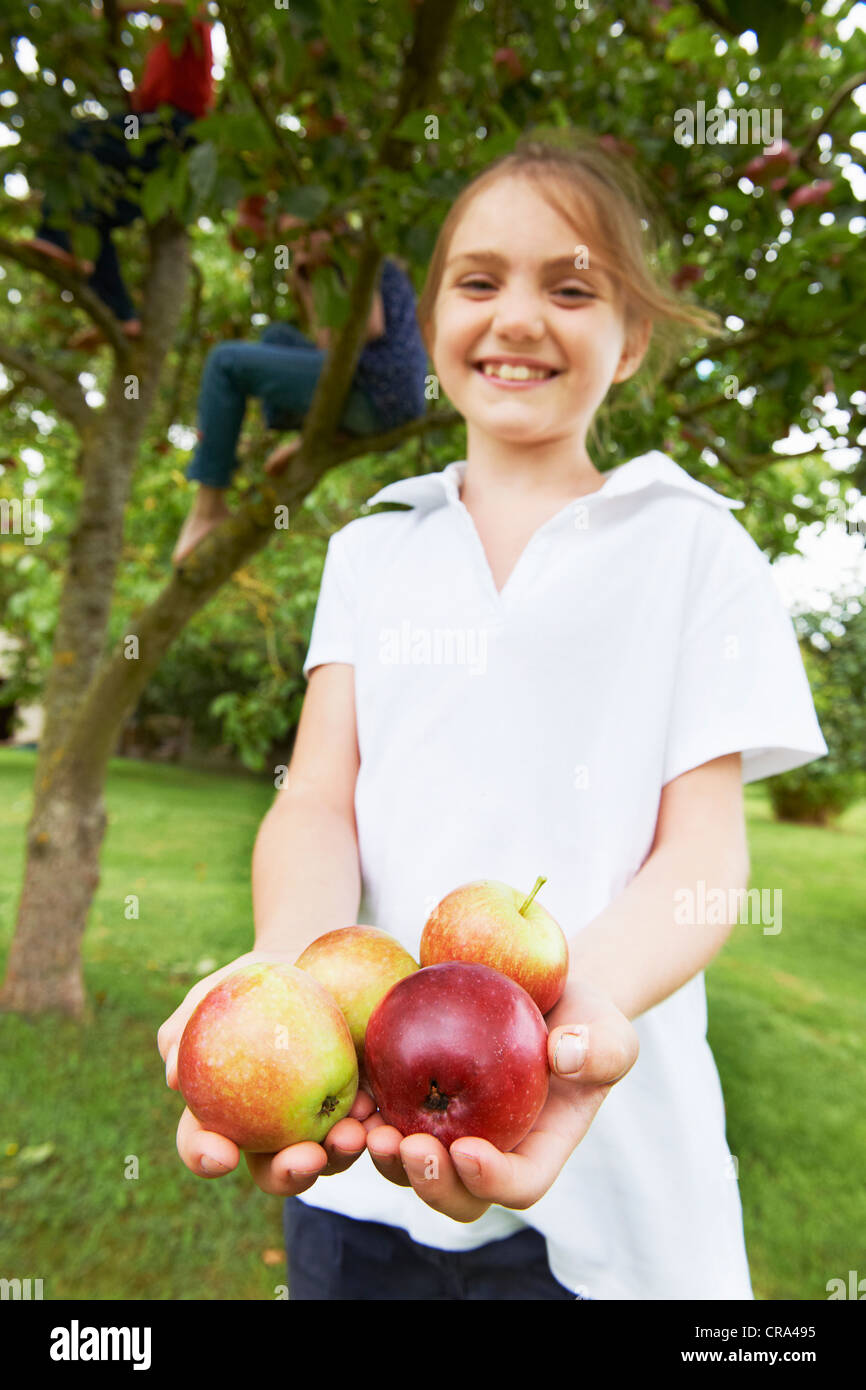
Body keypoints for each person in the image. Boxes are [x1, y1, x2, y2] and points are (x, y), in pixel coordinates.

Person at [157, 131, 828, 1300]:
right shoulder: (373, 548)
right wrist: (282, 974)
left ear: (631, 343)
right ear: (432, 323)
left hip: (615, 1159)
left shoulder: (695, 547)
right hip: (367, 1146)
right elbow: (317, 799)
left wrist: (560, 1028)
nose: (516, 316)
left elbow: (705, 856)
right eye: (478, 281)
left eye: (569, 288)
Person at [170, 218, 428, 565]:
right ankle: (325, 432)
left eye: (306, 235)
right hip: (363, 389)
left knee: (225, 361)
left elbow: (369, 326)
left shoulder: (357, 258)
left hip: (382, 394)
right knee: (276, 336)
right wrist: (306, 283)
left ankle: (209, 506)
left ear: (333, 227)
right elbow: (327, 345)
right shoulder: (327, 272)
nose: (299, 247)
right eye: (291, 242)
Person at [24, 0, 214, 346]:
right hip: (151, 137)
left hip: (177, 130)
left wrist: (122, 6)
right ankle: (122, 315)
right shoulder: (157, 51)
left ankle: (56, 235)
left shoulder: (190, 21)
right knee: (98, 217)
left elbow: (180, 8)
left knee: (80, 137)